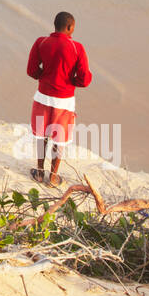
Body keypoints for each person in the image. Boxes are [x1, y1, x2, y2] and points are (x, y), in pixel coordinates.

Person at [25, 11, 92, 187]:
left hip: (42, 96)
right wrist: (71, 82)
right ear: (70, 27)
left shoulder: (41, 42)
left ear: (55, 25)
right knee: (59, 139)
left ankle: (39, 172)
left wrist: (44, 77)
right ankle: (53, 177)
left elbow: (32, 70)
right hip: (64, 100)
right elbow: (85, 79)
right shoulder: (77, 48)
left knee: (42, 135)